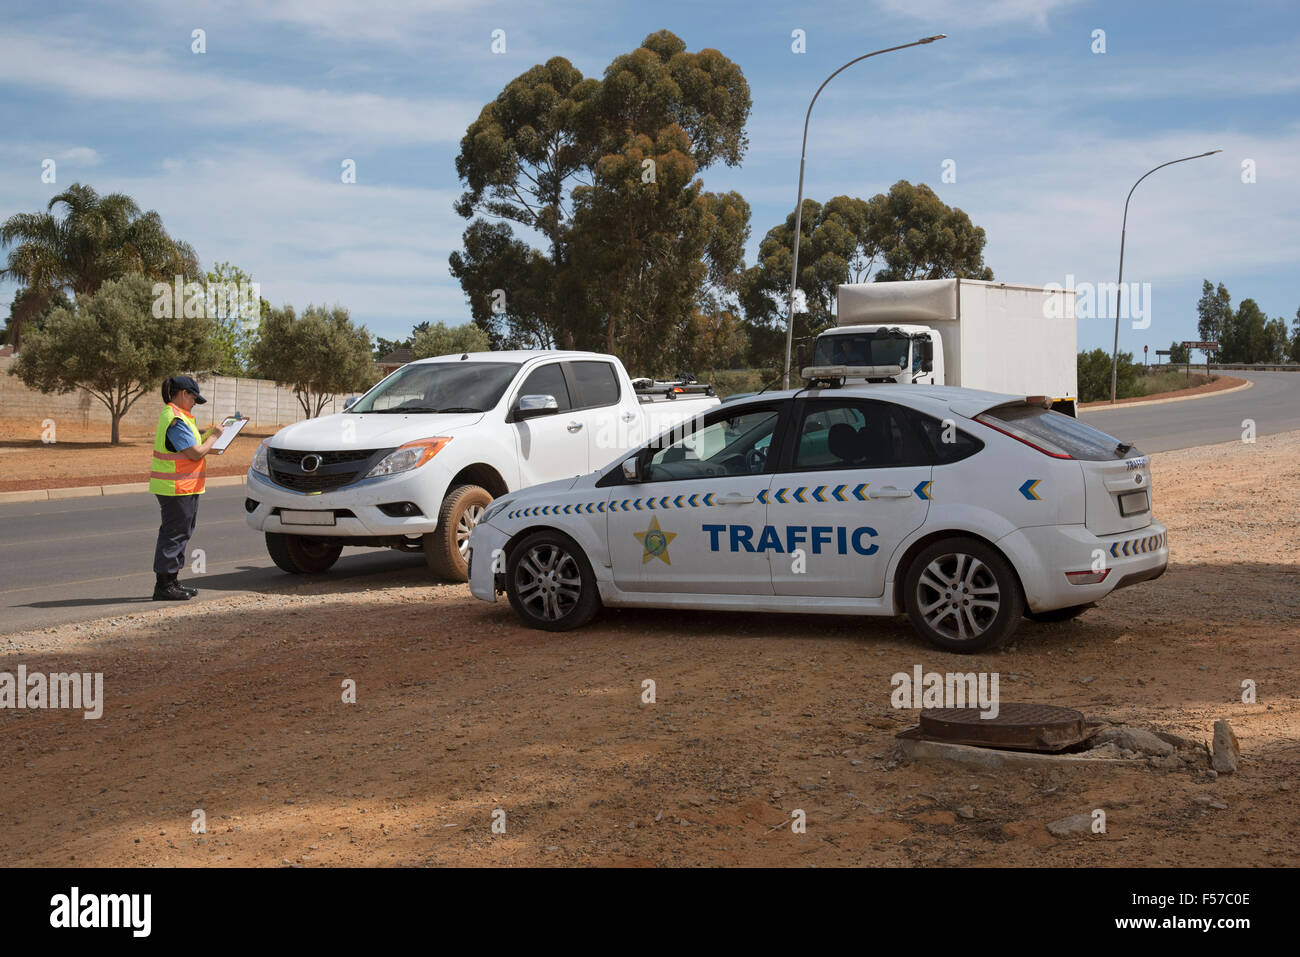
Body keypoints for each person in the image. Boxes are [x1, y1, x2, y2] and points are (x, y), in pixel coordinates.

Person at [149, 375, 223, 601]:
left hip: (184, 486)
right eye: (193, 398)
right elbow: (195, 453)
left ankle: (172, 582)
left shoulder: (180, 416)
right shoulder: (175, 419)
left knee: (181, 532)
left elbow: (194, 446)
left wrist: (211, 439)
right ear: (183, 394)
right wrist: (216, 438)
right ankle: (164, 585)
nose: (194, 402)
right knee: (174, 534)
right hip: (176, 487)